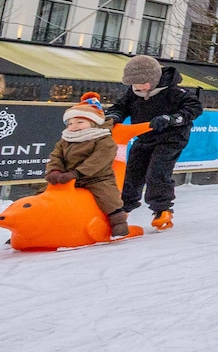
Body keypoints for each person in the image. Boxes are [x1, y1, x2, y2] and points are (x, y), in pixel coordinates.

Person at [106, 55, 203, 230]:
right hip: (145, 137)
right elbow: (120, 107)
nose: (139, 88)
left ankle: (162, 210)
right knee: (133, 173)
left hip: (171, 138)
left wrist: (170, 119)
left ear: (154, 79)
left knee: (157, 171)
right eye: (134, 84)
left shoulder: (174, 92)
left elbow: (194, 108)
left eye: (142, 84)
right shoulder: (133, 93)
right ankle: (124, 208)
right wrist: (114, 117)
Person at [46, 93, 129, 237]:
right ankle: (37, 222)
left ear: (93, 123)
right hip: (66, 177)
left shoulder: (103, 139)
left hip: (97, 177)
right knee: (44, 194)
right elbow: (55, 156)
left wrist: (78, 173)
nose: (74, 127)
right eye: (70, 123)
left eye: (80, 122)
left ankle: (119, 222)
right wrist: (55, 170)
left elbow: (99, 159)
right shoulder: (66, 140)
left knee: (107, 197)